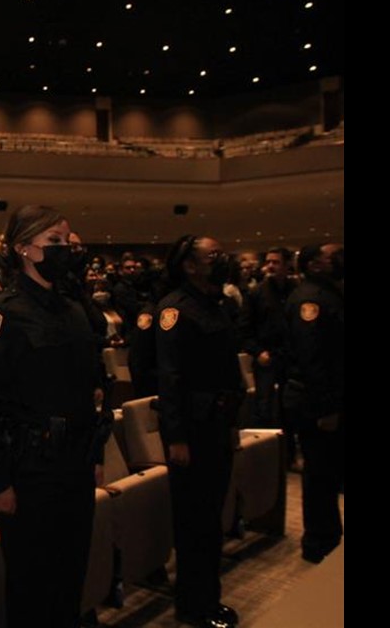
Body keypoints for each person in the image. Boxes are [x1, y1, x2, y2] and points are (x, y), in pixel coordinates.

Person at [0, 205, 105, 628]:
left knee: (71, 574)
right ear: (25, 249)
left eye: (67, 240)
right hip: (30, 469)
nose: (66, 249)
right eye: (55, 242)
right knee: (31, 585)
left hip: (75, 463)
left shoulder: (74, 308)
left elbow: (92, 390)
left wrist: (96, 453)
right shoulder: (3, 313)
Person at [155, 234, 244, 628]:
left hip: (217, 425)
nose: (221, 259)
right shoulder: (176, 309)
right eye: (214, 255)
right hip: (191, 431)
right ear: (190, 265)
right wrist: (175, 437)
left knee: (212, 518)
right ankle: (193, 606)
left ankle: (209, 598)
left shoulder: (215, 304)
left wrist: (233, 424)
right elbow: (170, 380)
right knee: (194, 523)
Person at [283, 243, 344, 563]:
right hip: (314, 401)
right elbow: (313, 360)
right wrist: (328, 408)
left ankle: (329, 535)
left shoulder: (329, 294)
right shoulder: (311, 299)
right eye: (331, 256)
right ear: (314, 265)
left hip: (326, 398)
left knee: (329, 472)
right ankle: (319, 542)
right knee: (320, 474)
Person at [239, 247, 297, 429]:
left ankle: (289, 451)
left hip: (291, 357)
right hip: (267, 357)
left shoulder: (296, 290)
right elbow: (243, 329)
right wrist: (258, 352)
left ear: (287, 265)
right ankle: (268, 451)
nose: (270, 266)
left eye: (276, 262)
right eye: (268, 262)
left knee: (290, 406)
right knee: (265, 407)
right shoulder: (256, 293)